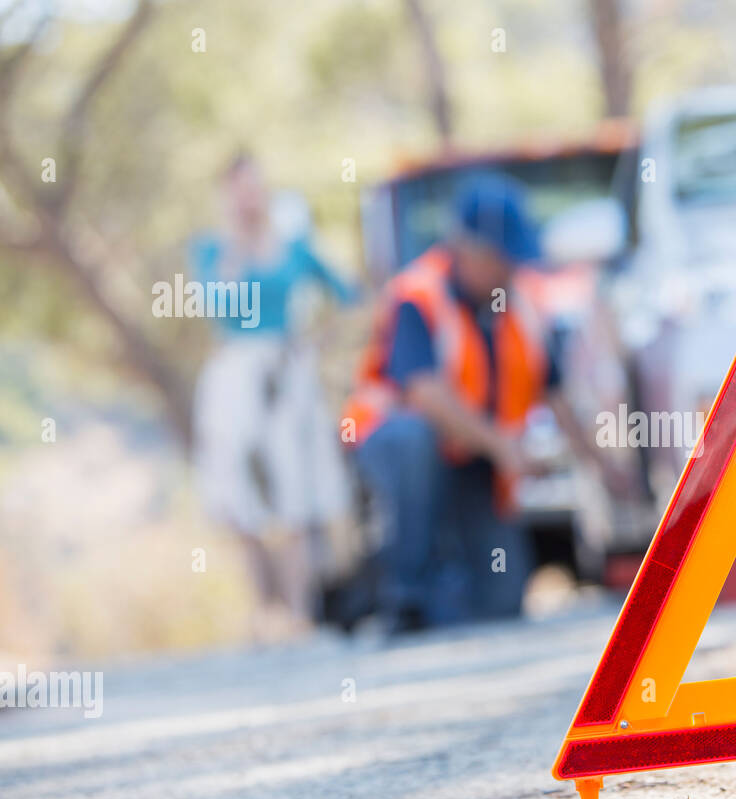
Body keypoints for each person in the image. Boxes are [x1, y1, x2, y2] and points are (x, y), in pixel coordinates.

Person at [344, 173, 616, 632]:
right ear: (467, 249)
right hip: (400, 451)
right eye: (502, 257)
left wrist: (607, 470)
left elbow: (558, 395)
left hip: (474, 464)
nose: (511, 269)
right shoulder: (418, 295)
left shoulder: (521, 305)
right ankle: (403, 595)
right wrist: (503, 447)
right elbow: (425, 394)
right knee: (413, 440)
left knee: (502, 595)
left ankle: (448, 604)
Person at [191, 154, 358, 638]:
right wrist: (239, 247)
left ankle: (302, 609)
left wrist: (318, 343)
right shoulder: (210, 250)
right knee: (240, 490)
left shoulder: (294, 245)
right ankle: (265, 610)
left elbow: (346, 294)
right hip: (236, 374)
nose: (249, 198)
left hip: (289, 370)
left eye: (255, 187)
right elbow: (215, 304)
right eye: (239, 189)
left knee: (296, 485)